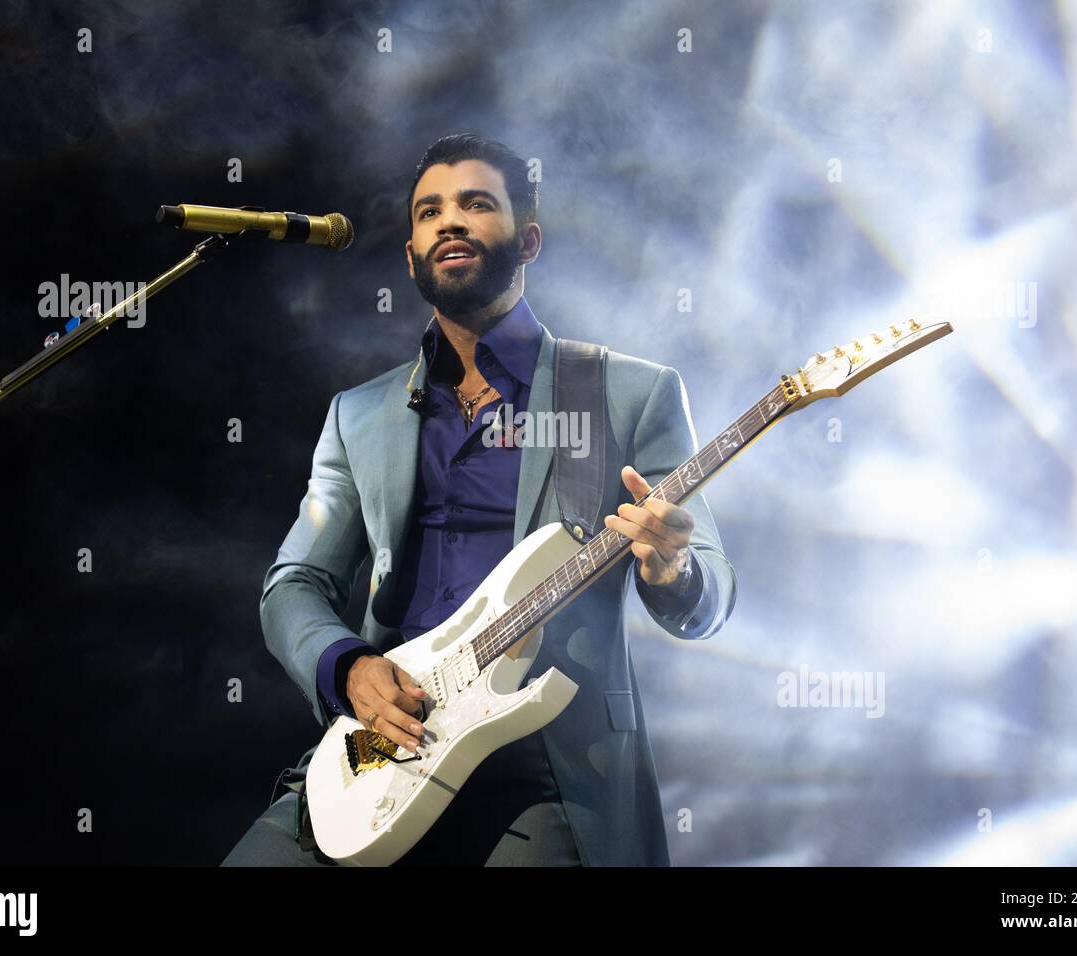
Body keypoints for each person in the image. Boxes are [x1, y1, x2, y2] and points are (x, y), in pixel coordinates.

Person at [222, 133, 736, 867]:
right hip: (389, 738)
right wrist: (348, 667)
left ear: (527, 240)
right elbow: (292, 585)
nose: (450, 221)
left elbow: (710, 594)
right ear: (410, 256)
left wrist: (670, 571)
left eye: (475, 204)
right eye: (429, 211)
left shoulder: (627, 393)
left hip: (545, 769)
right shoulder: (358, 415)